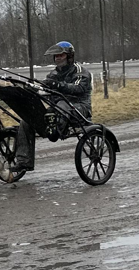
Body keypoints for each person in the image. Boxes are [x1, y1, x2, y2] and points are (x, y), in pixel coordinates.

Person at [11, 41, 93, 174]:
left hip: (79, 109)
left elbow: (79, 88)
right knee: (26, 121)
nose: (57, 58)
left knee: (62, 104)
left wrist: (58, 85)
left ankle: (55, 132)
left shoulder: (80, 71)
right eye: (56, 56)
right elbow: (45, 87)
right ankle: (23, 162)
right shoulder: (53, 73)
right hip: (56, 110)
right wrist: (28, 89)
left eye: (60, 55)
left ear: (69, 56)